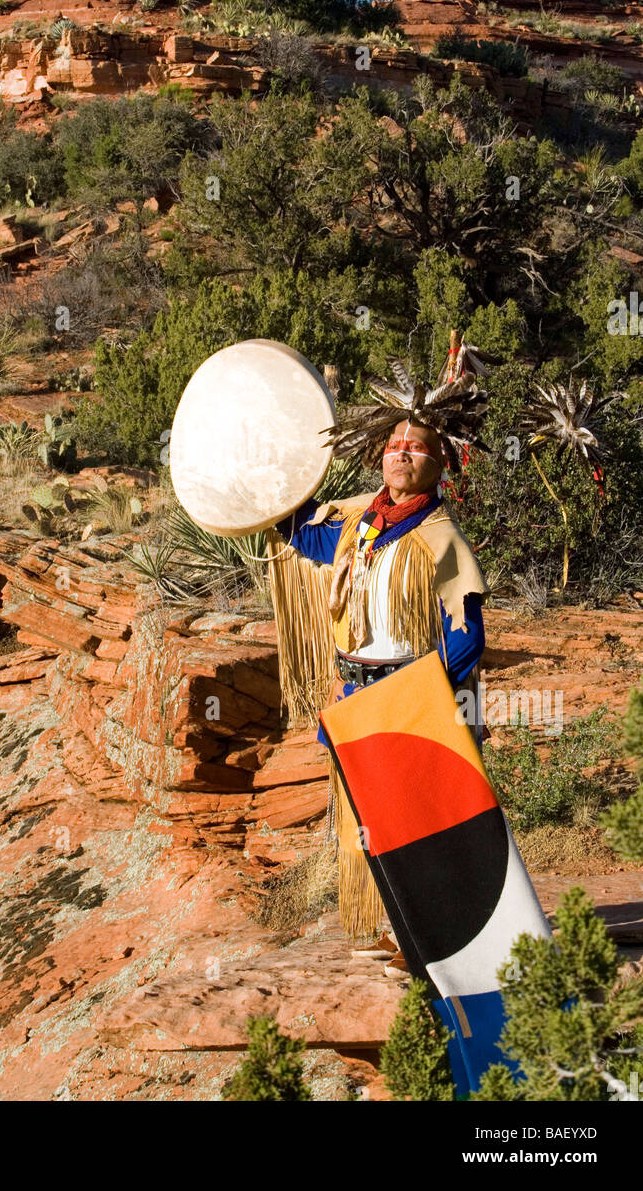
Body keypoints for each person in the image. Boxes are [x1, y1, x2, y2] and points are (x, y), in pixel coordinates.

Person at [266, 396, 490, 977]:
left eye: (416, 446)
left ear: (441, 462)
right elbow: (307, 537)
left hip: (411, 701)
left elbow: (467, 640)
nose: (401, 454)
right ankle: (387, 929)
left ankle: (432, 943)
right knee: (369, 820)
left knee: (421, 822)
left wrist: (419, 698)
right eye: (394, 445)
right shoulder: (360, 526)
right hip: (356, 697)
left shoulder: (442, 541)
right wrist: (261, 479)